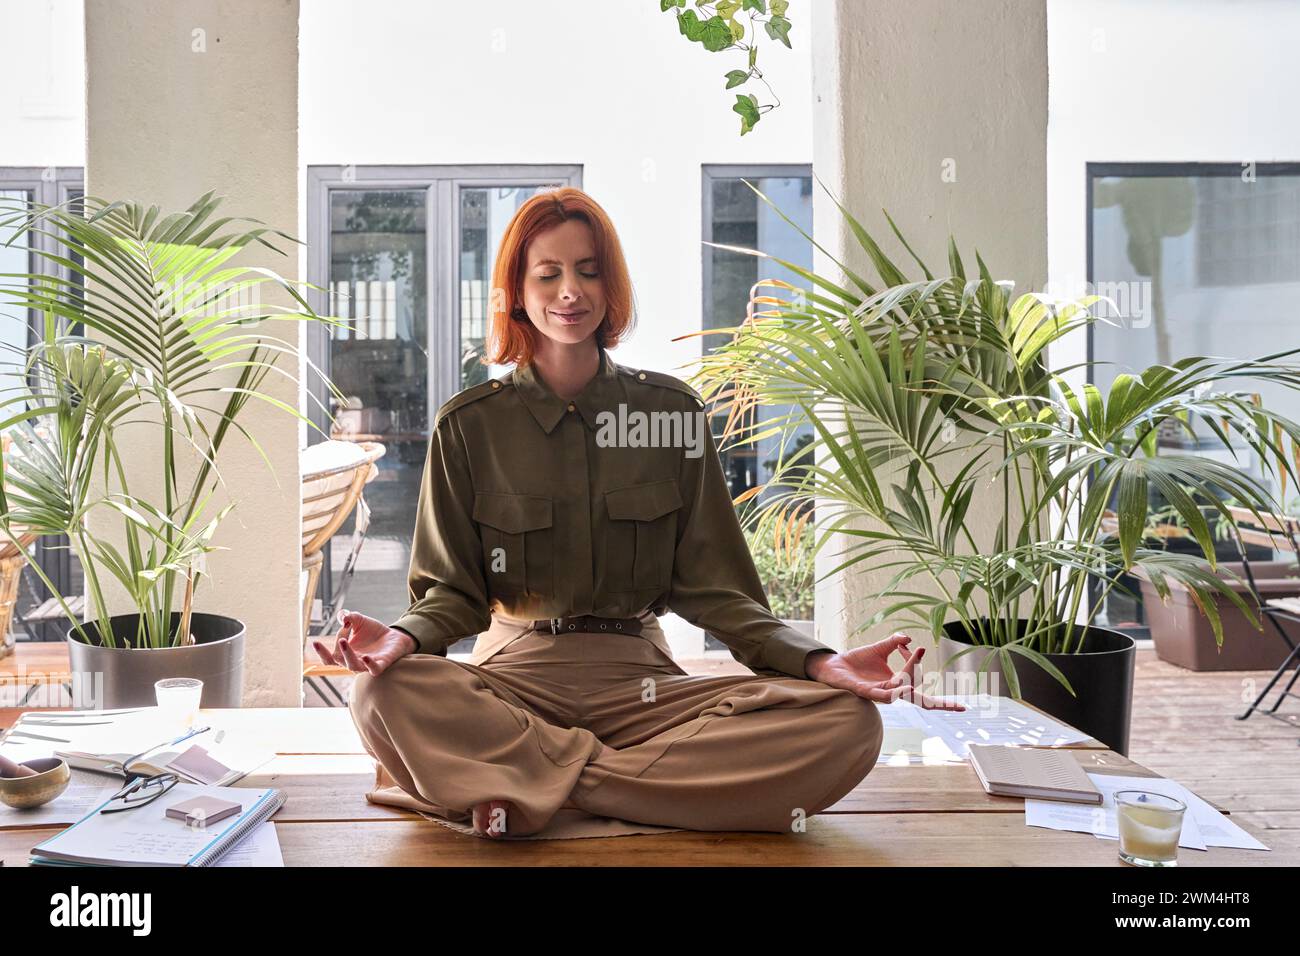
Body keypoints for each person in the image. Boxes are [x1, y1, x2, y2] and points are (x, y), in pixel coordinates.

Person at [316, 187, 965, 839]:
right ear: (517, 290)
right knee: (381, 697)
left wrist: (822, 662)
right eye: (549, 274)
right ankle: (637, 789)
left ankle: (537, 785)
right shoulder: (469, 425)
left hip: (646, 687)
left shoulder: (671, 413)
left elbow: (717, 592)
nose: (570, 291)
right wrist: (403, 638)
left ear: (611, 284)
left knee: (847, 724)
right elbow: (452, 594)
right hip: (515, 682)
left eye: (588, 271)